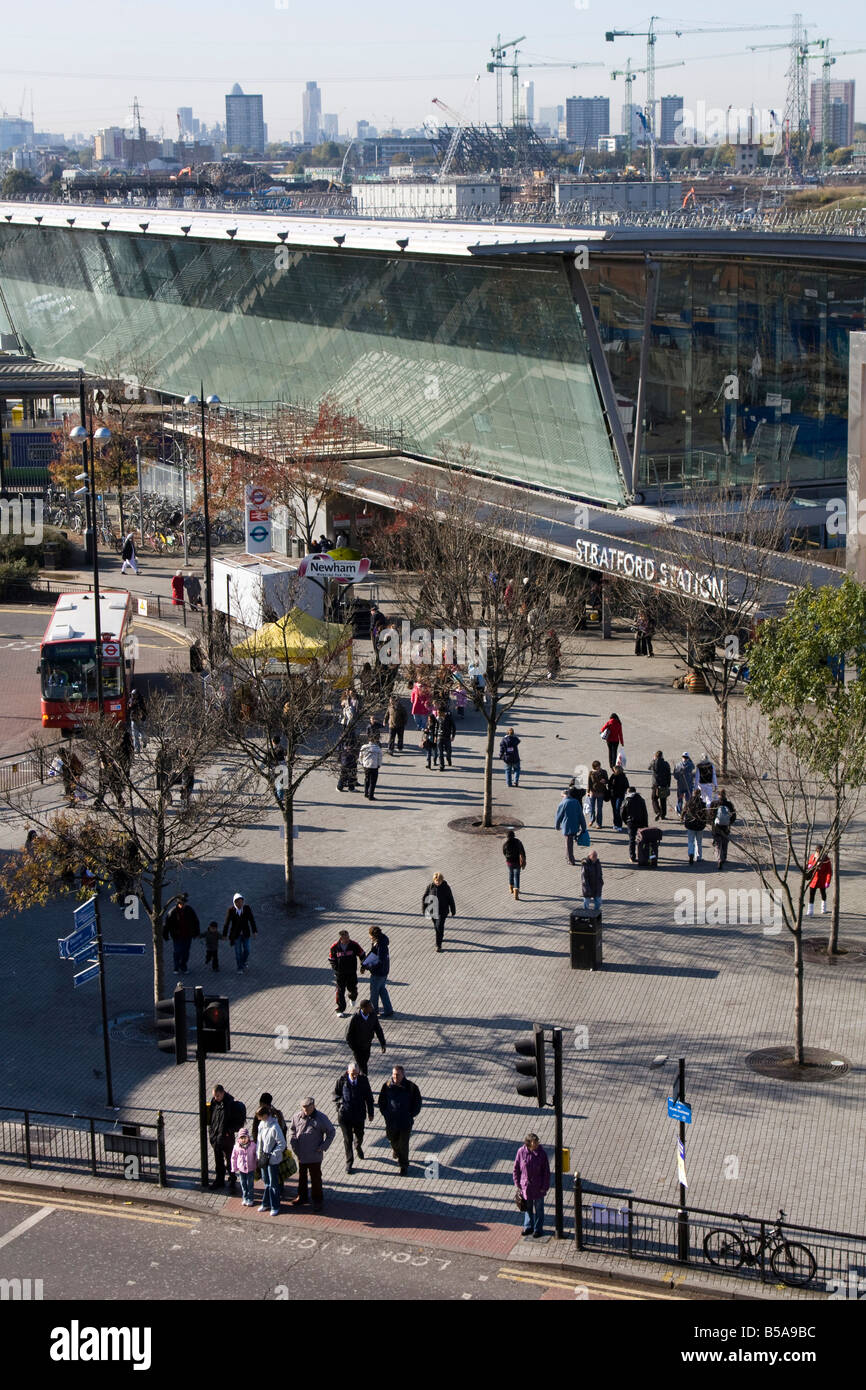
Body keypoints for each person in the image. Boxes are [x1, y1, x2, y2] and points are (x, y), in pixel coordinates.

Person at [289, 1097, 335, 1210]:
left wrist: (323, 1147)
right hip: (301, 1154)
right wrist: (293, 1141)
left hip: (315, 1155)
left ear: (313, 1106)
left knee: (316, 1178)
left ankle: (318, 1200)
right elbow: (292, 1130)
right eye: (303, 1108)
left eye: (307, 1108)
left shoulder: (321, 1118)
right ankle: (302, 1196)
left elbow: (331, 1131)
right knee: (302, 1177)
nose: (305, 1110)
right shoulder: (297, 1117)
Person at [377, 1065, 422, 1177]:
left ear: (403, 1075)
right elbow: (381, 1101)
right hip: (391, 1121)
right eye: (394, 1074)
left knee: (404, 1144)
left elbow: (417, 1103)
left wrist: (410, 1114)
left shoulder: (411, 1087)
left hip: (405, 1122)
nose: (395, 1077)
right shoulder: (387, 1086)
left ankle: (403, 1166)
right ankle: (396, 1151)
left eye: (397, 1075)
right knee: (391, 1138)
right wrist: (386, 1114)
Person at [333, 1062, 375, 1174]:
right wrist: (340, 1102)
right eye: (353, 1074)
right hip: (345, 1116)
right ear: (348, 1072)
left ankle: (358, 1145)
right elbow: (335, 1094)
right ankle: (349, 1162)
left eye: (357, 1073)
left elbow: (369, 1098)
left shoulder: (363, 1081)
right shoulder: (341, 1081)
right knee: (347, 1139)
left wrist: (371, 1113)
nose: (355, 1076)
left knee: (360, 1134)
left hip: (359, 1114)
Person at [513, 1132, 551, 1239]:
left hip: (538, 1187)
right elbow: (516, 1168)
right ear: (529, 1143)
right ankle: (528, 1226)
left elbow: (546, 1172)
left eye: (537, 1142)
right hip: (526, 1187)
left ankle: (538, 1229)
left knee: (539, 1209)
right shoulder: (521, 1152)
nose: (537, 1144)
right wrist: (517, 1183)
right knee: (527, 1207)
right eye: (535, 1142)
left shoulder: (542, 1154)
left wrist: (545, 1186)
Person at [208, 1084, 240, 1193]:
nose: (215, 1098)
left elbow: (236, 1123)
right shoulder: (214, 1103)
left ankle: (232, 1179)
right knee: (218, 1160)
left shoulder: (230, 1104)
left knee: (230, 1159)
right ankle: (219, 1180)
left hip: (226, 1137)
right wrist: (212, 1134)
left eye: (217, 1096)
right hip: (216, 1136)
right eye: (214, 1096)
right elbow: (212, 1120)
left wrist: (228, 1132)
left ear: (222, 1093)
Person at [255, 1103, 286, 1215]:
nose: (258, 1119)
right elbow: (259, 1142)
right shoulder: (261, 1125)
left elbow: (282, 1144)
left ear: (264, 1115)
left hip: (272, 1160)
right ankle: (266, 1203)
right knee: (267, 1182)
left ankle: (275, 1206)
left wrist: (273, 1155)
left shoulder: (275, 1127)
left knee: (273, 1184)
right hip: (264, 1158)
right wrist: (259, 1156)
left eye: (259, 1116)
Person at [345, 999, 386, 1074]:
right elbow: (348, 1035)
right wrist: (354, 1048)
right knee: (363, 1067)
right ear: (363, 1008)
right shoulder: (355, 1018)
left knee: (363, 1064)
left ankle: (358, 1078)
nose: (372, 1008)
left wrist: (383, 1043)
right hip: (357, 1048)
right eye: (370, 1007)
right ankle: (364, 1080)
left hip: (367, 1046)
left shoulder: (373, 1015)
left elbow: (378, 1029)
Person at [329, 929, 365, 1015]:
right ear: (341, 938)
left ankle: (352, 998)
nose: (348, 939)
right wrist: (336, 968)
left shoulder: (354, 945)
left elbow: (362, 954)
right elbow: (331, 959)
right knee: (340, 991)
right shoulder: (334, 947)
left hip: (351, 972)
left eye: (348, 937)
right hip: (340, 974)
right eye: (345, 938)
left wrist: (363, 965)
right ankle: (340, 1009)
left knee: (353, 988)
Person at [163, 891, 200, 974]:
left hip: (187, 935)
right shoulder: (172, 912)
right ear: (178, 903)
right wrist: (165, 934)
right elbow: (167, 924)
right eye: (181, 903)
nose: (182, 905)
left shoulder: (189, 910)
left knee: (186, 952)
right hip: (177, 935)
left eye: (184, 903)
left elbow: (195, 921)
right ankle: (176, 967)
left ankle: (183, 965)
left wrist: (196, 932)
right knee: (177, 951)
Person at [361, 926, 392, 1018]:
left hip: (378, 973)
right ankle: (388, 1009)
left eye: (370, 935)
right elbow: (373, 953)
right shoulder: (381, 942)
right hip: (384, 972)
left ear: (373, 935)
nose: (369, 937)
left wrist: (369, 967)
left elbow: (379, 961)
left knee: (374, 993)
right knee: (382, 990)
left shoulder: (380, 945)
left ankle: (373, 1012)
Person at [222, 892, 257, 972]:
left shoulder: (247, 908)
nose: (240, 904)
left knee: (247, 950)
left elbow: (251, 920)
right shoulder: (231, 910)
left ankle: (243, 962)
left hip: (245, 933)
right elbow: (227, 923)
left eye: (241, 902)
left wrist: (254, 931)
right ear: (235, 903)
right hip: (236, 935)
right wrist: (224, 934)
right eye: (238, 902)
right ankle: (240, 967)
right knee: (238, 952)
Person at [422, 871, 456, 952]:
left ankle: (438, 945)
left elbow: (450, 899)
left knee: (439, 927)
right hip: (432, 910)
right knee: (436, 926)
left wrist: (453, 909)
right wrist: (424, 909)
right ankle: (440, 936)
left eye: (439, 881)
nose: (437, 882)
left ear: (442, 880)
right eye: (436, 880)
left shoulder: (446, 887)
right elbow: (425, 898)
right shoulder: (430, 887)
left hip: (442, 911)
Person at [555, 786, 587, 866]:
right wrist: (583, 827)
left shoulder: (562, 803)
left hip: (567, 827)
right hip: (575, 826)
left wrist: (557, 826)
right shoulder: (576, 802)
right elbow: (581, 816)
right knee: (570, 843)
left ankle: (571, 860)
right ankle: (568, 856)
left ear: (563, 795)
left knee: (569, 844)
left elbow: (558, 817)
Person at [620, 785, 649, 863]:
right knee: (641, 839)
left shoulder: (626, 800)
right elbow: (645, 812)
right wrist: (645, 824)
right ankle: (642, 854)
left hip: (631, 822)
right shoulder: (641, 799)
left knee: (632, 840)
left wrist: (626, 821)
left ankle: (632, 857)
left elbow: (622, 812)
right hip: (640, 821)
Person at [709, 790, 737, 869]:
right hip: (725, 827)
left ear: (718, 795)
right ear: (725, 795)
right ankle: (724, 857)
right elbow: (734, 816)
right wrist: (729, 822)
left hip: (716, 827)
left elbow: (710, 815)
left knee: (717, 843)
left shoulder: (714, 803)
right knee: (725, 842)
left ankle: (719, 858)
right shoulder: (729, 804)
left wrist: (712, 822)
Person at [231, 1127, 258, 1207]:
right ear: (239, 1139)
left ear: (248, 1137)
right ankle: (245, 1197)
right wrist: (234, 1167)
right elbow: (233, 1158)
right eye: (241, 1138)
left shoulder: (253, 1145)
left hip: (251, 1168)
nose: (243, 1140)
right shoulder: (236, 1147)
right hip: (241, 1169)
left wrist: (257, 1164)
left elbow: (256, 1155)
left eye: (244, 1138)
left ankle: (250, 1198)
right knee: (243, 1184)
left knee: (250, 1184)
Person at [681, 790, 708, 864]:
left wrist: (682, 817)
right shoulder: (702, 804)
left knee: (690, 841)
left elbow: (684, 810)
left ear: (693, 794)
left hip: (690, 824)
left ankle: (691, 853)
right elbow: (705, 814)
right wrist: (705, 822)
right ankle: (699, 856)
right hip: (699, 825)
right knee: (698, 841)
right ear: (700, 795)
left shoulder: (689, 802)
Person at [806, 847, 832, 914]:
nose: (818, 853)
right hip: (813, 880)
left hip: (822, 880)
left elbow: (829, 871)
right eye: (817, 852)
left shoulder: (826, 859)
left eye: (819, 852)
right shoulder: (813, 857)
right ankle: (810, 911)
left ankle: (823, 909)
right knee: (811, 895)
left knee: (823, 894)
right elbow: (809, 863)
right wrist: (809, 866)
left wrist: (827, 881)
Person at [503, 828, 526, 899]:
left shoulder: (506, 844)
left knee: (511, 873)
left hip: (509, 862)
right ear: (514, 836)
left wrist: (507, 858)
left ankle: (511, 888)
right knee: (517, 876)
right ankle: (516, 892)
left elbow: (504, 852)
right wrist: (524, 858)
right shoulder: (518, 842)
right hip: (517, 862)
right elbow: (522, 851)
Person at [359, 733, 383, 800]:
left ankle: (366, 793)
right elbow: (380, 758)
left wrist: (362, 763)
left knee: (367, 779)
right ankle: (371, 795)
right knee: (373, 781)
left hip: (366, 765)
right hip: (374, 766)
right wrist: (379, 765)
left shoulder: (364, 747)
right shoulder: (377, 748)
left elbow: (360, 756)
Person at [649, 751, 672, 821]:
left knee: (654, 798)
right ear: (662, 756)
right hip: (664, 784)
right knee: (663, 800)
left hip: (655, 784)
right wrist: (668, 784)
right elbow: (669, 775)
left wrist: (653, 760)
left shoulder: (653, 763)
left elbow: (649, 767)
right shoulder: (666, 764)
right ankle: (663, 815)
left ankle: (658, 811)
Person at [608, 761, 629, 832]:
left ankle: (619, 825)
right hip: (613, 796)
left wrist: (625, 791)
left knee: (618, 810)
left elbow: (627, 786)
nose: (613, 770)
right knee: (614, 810)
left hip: (620, 796)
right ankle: (615, 824)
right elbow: (609, 784)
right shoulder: (613, 776)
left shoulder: (623, 777)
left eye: (614, 769)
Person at [587, 761, 609, 828]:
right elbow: (589, 782)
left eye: (599, 766)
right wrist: (588, 792)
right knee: (592, 808)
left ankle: (599, 823)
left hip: (601, 793)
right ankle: (592, 819)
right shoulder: (591, 773)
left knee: (599, 809)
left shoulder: (603, 772)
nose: (599, 767)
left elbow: (607, 780)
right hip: (593, 793)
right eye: (597, 766)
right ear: (594, 767)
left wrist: (604, 781)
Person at [581, 850, 603, 914]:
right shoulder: (585, 864)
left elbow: (600, 873)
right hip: (588, 887)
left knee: (598, 902)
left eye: (596, 856)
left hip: (597, 886)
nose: (595, 857)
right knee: (586, 904)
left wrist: (601, 882)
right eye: (594, 856)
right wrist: (587, 888)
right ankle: (586, 915)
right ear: (589, 856)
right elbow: (584, 878)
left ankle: (595, 914)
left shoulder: (598, 863)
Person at [435, 703, 456, 770]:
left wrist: (453, 736)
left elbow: (454, 727)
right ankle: (442, 766)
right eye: (437, 712)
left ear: (443, 712)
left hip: (447, 737)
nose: (437, 713)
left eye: (439, 712)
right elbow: (436, 727)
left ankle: (448, 758)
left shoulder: (449, 718)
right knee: (440, 753)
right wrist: (435, 736)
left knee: (448, 751)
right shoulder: (437, 718)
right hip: (439, 737)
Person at [127, 687, 148, 754]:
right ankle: (137, 749)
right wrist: (130, 705)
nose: (133, 696)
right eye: (132, 695)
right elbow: (128, 707)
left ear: (137, 694)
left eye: (134, 695)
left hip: (141, 719)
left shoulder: (141, 700)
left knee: (143, 734)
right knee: (135, 735)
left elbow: (144, 709)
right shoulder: (131, 700)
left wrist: (142, 715)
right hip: (133, 719)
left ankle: (145, 741)